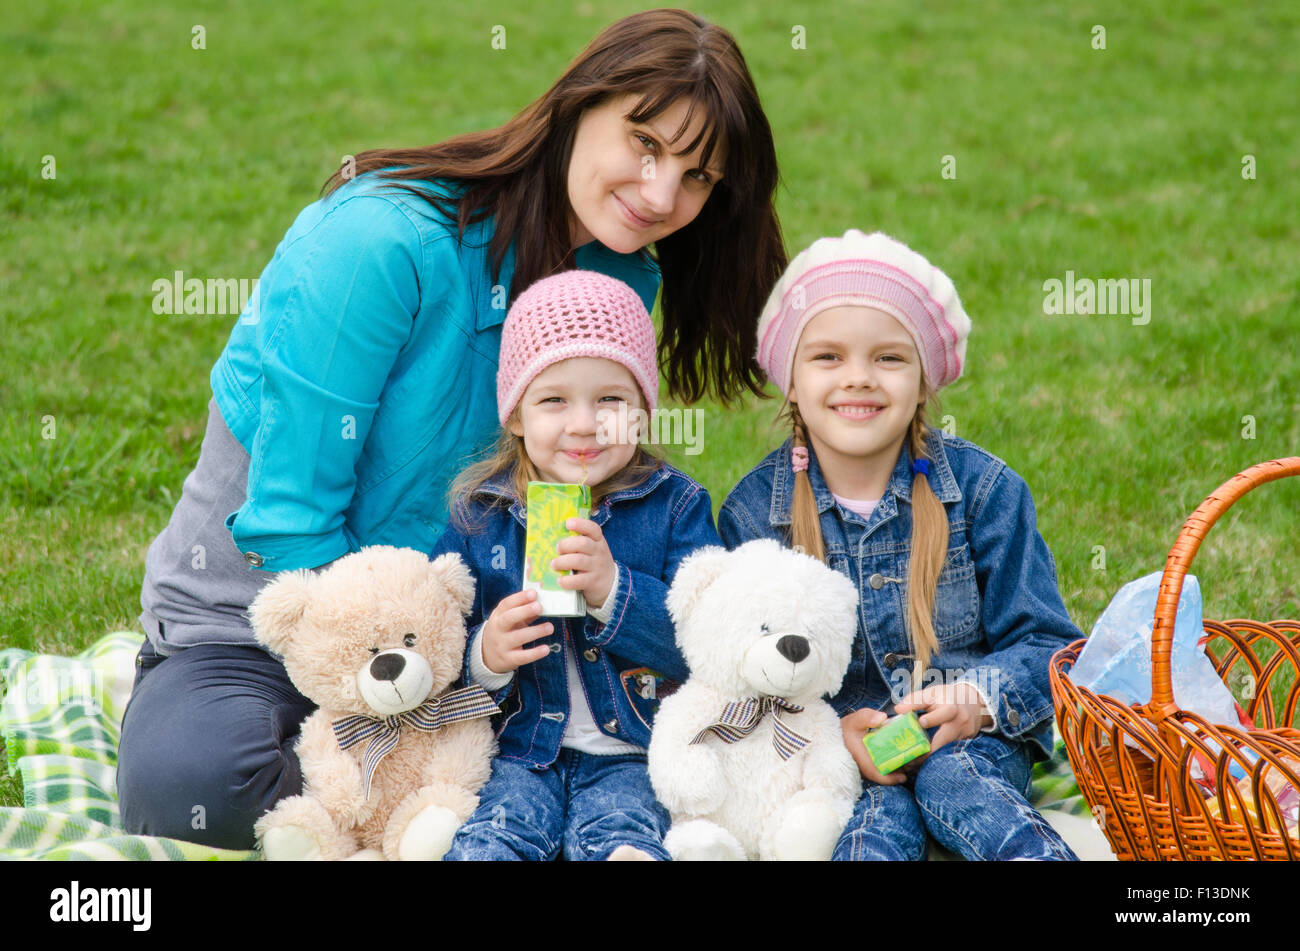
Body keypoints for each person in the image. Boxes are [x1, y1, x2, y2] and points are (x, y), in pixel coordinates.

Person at [117, 8, 784, 850]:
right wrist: (397, 679)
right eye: (646, 145)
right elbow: (289, 521)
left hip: (474, 640)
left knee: (601, 772)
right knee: (194, 787)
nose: (662, 195)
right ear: (581, 103)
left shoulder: (620, 273)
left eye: (698, 178)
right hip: (262, 620)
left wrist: (502, 657)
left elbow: (563, 494)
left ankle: (436, 800)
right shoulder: (378, 239)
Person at [717, 230, 1081, 860]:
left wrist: (980, 700)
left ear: (923, 380)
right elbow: (736, 679)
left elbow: (1053, 648)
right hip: (835, 755)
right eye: (827, 357)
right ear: (792, 383)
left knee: (951, 781)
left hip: (973, 747)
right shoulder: (754, 515)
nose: (858, 379)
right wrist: (830, 738)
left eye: (888, 358)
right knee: (872, 820)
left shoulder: (985, 492)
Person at [431, 270, 720, 860]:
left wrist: (616, 591)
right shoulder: (478, 514)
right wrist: (484, 654)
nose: (584, 423)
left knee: (623, 838)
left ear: (642, 409)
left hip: (632, 752)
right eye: (554, 399)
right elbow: (430, 639)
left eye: (611, 398)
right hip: (516, 749)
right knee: (492, 839)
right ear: (515, 414)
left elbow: (711, 648)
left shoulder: (676, 507)